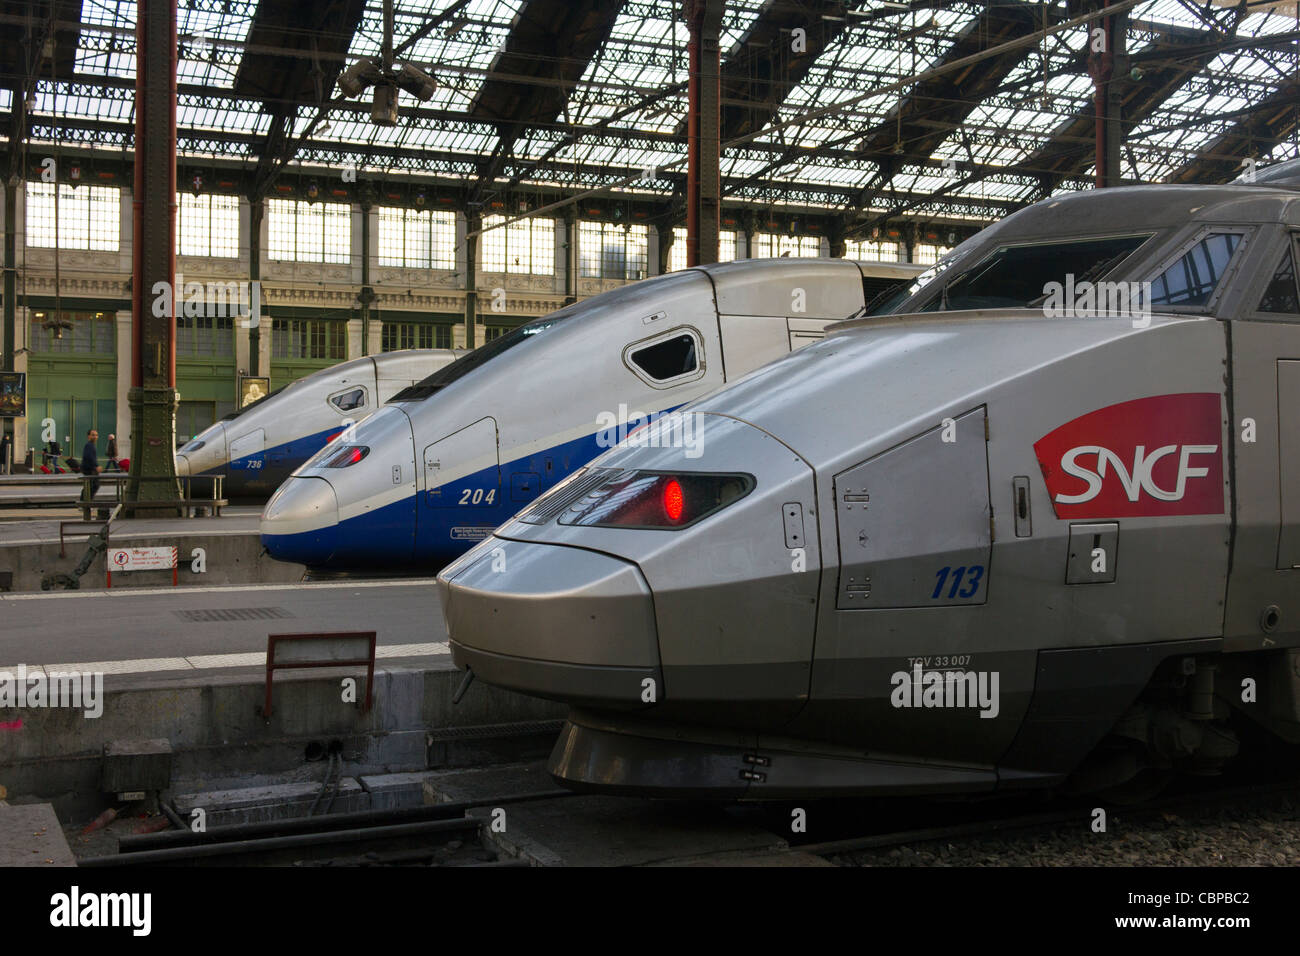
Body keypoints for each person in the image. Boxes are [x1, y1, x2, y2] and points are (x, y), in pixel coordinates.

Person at [81, 429, 100, 517]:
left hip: (90, 468)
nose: (95, 437)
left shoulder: (91, 445)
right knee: (93, 485)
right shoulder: (89, 445)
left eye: (96, 435)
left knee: (91, 485)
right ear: (88, 436)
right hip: (89, 469)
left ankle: (85, 502)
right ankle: (85, 502)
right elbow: (89, 457)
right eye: (93, 435)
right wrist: (96, 466)